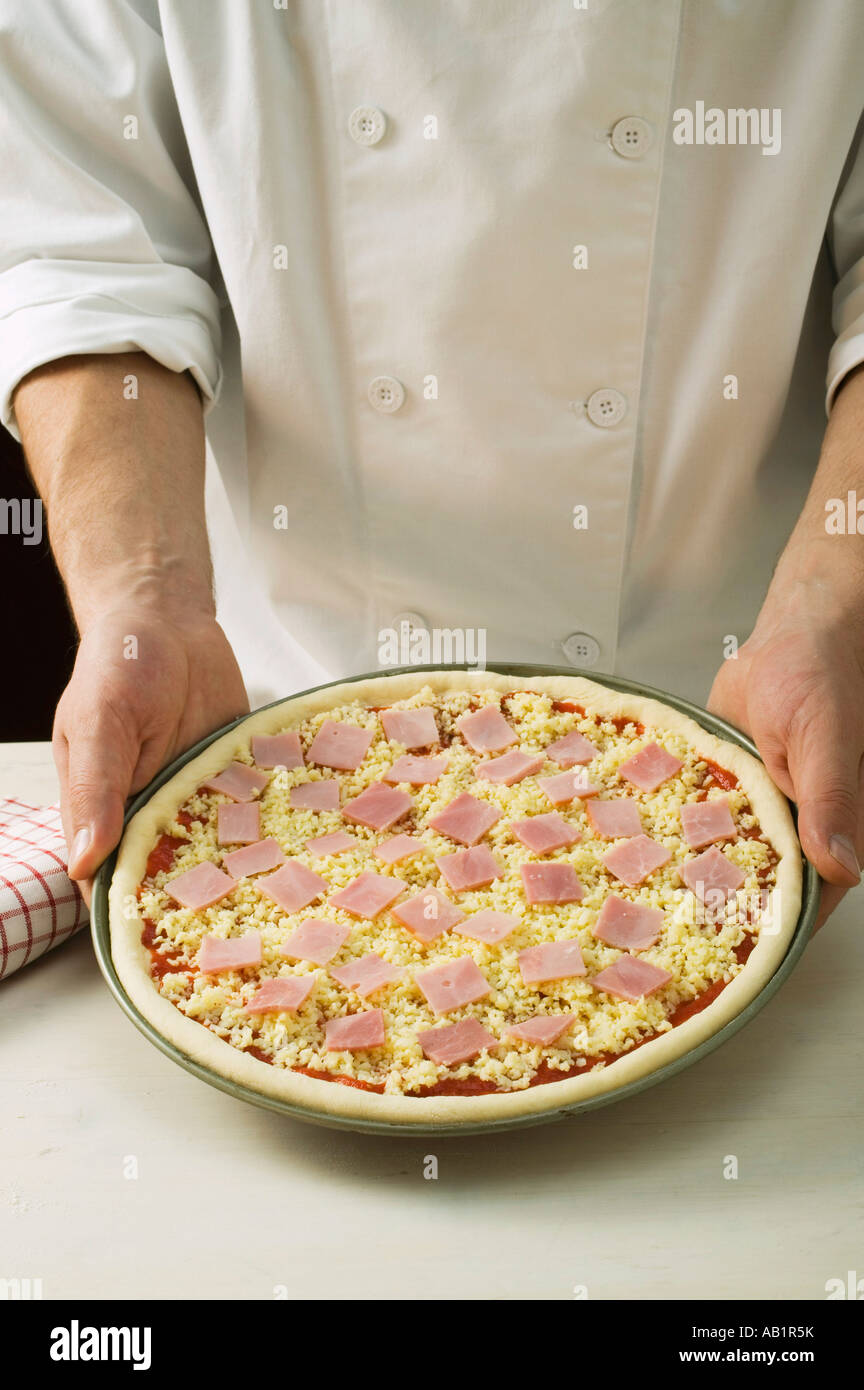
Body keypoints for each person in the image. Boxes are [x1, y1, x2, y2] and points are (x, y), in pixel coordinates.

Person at [2, 1, 863, 928]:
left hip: (740, 719)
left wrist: (830, 608)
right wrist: (147, 600)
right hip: (273, 745)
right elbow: (89, 259)